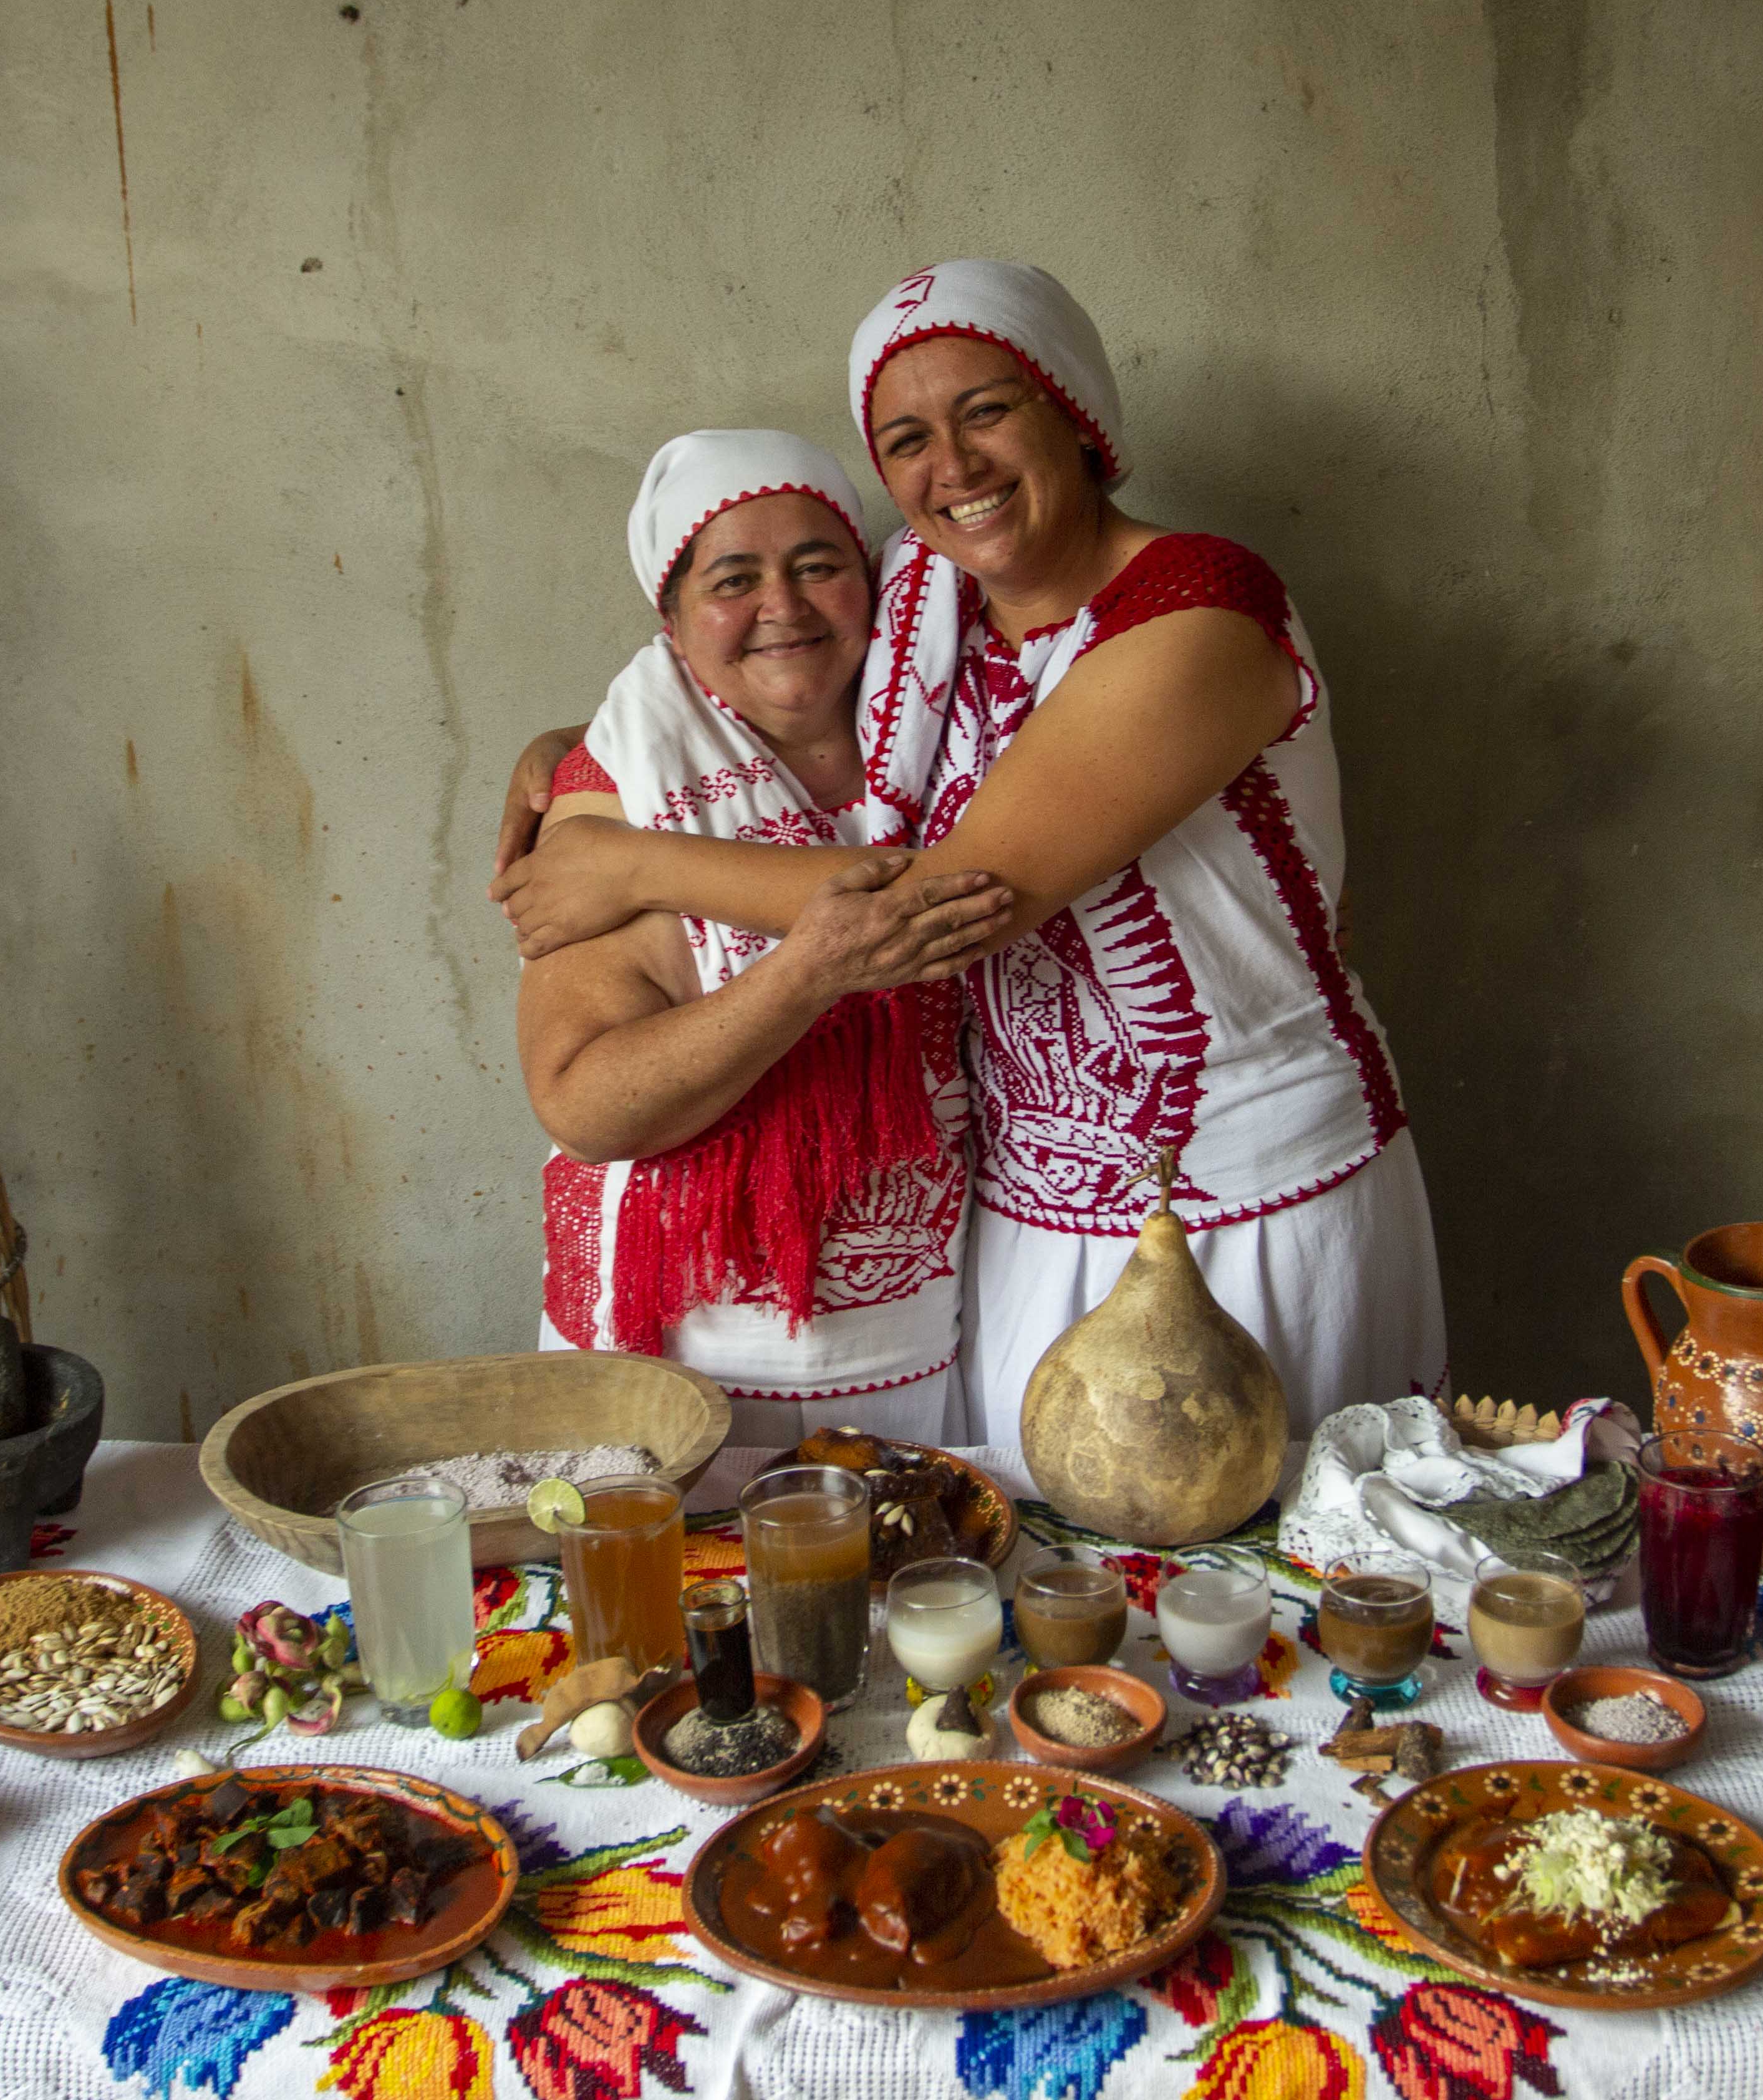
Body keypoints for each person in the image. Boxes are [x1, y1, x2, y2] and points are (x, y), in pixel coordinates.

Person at [496, 264, 1446, 1445]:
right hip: (1020, 1221)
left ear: (1076, 411)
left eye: (987, 410)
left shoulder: (1200, 604)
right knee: (1039, 1552)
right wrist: (573, 760)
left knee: (1270, 1536)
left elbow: (966, 892)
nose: (953, 466)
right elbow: (737, 663)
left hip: (1245, 1192)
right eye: (907, 440)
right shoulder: (922, 614)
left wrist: (634, 862)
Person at [518, 429, 1009, 1445]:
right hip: (687, 1358)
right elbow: (583, 1104)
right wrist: (809, 973)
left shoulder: (940, 740)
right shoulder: (619, 794)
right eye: (733, 580)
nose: (782, 607)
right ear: (673, 620)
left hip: (917, 1332)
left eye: (818, 566)